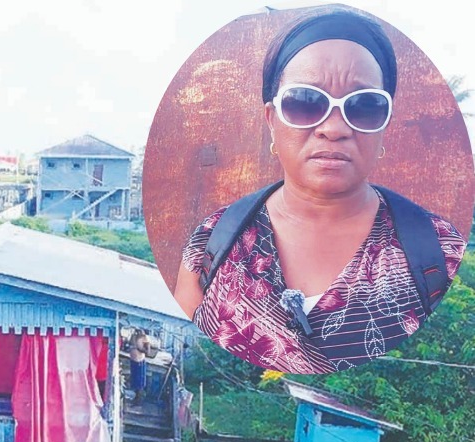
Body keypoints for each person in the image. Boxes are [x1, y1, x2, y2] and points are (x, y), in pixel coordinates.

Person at [173, 9, 465, 374]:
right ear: (272, 120)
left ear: (384, 127)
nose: (333, 128)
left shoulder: (440, 250)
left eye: (365, 106)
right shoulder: (212, 241)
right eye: (305, 102)